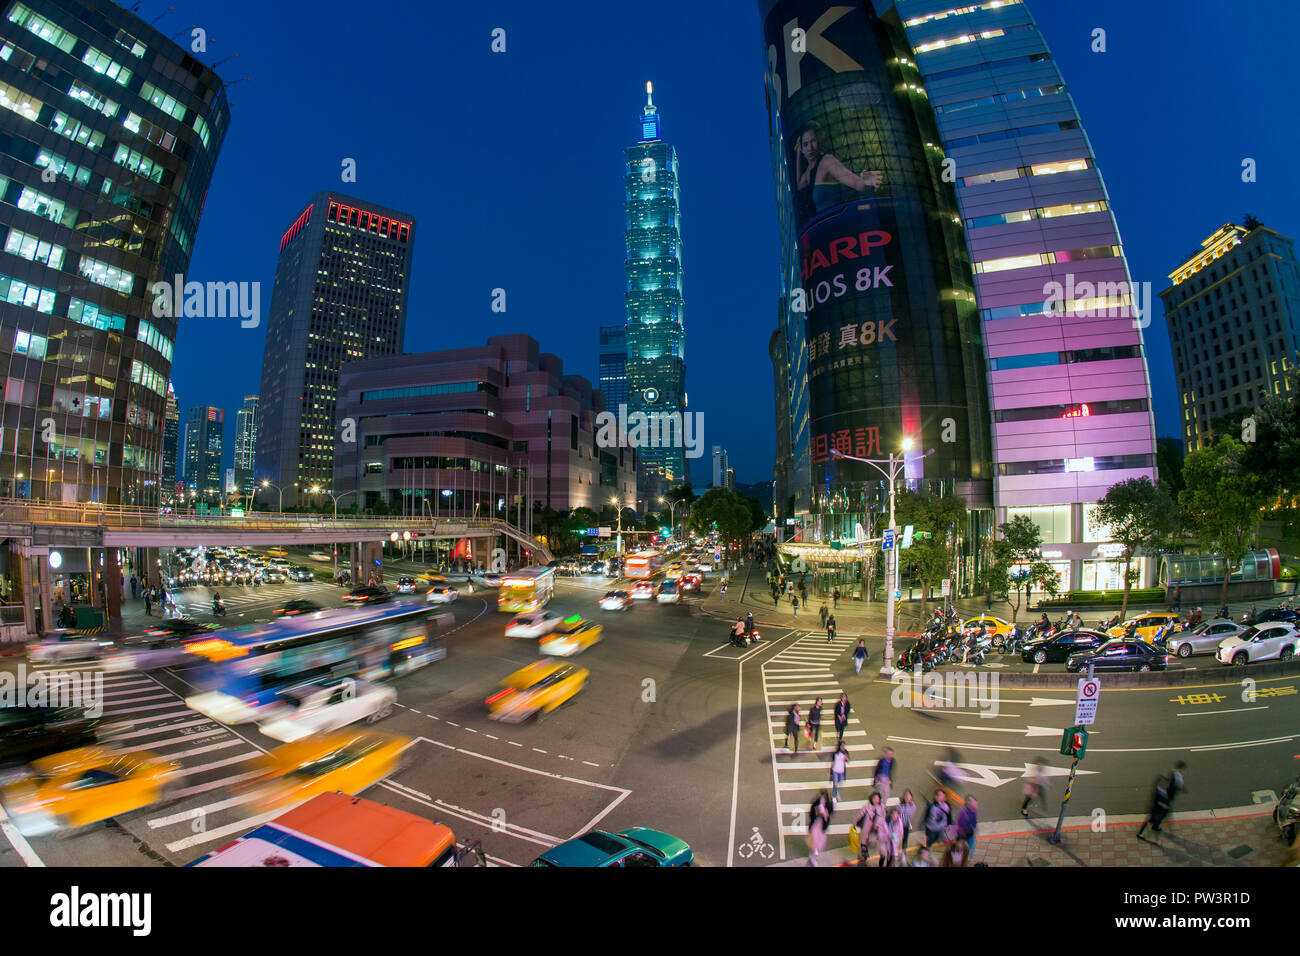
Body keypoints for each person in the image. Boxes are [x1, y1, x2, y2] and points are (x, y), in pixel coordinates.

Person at [793, 122, 884, 224]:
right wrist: (798, 152)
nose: (810, 148)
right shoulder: (810, 170)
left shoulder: (827, 162)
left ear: (819, 141)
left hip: (839, 225)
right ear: (802, 149)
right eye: (805, 145)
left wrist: (864, 181)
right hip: (825, 227)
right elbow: (799, 185)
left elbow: (858, 184)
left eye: (813, 141)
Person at [1137, 761, 1186, 842]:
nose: (1167, 785)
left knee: (1162, 816)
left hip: (1160, 807)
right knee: (1150, 819)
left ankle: (1155, 826)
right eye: (1165, 783)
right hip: (1156, 808)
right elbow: (1157, 801)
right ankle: (1140, 833)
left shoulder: (1163, 790)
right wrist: (1164, 805)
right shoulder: (1159, 791)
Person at [854, 792, 886, 864]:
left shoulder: (881, 807)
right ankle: (864, 859)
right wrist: (855, 822)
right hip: (866, 829)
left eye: (877, 799)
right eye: (874, 798)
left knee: (881, 849)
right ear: (871, 799)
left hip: (876, 831)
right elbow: (860, 815)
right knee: (864, 845)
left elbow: (883, 818)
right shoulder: (867, 806)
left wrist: (878, 825)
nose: (876, 800)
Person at [807, 791, 831, 866]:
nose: (823, 799)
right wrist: (818, 812)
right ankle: (813, 856)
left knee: (819, 842)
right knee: (814, 841)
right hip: (816, 825)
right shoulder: (816, 804)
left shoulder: (828, 805)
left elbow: (830, 812)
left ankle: (814, 855)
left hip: (821, 827)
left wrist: (824, 813)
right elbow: (812, 813)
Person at [898, 790, 916, 861]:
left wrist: (907, 805)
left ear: (911, 797)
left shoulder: (913, 806)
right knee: (895, 838)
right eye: (906, 795)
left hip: (905, 825)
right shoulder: (900, 805)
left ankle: (903, 854)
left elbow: (910, 814)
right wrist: (904, 805)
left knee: (905, 840)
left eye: (909, 796)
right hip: (898, 826)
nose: (907, 797)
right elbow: (899, 812)